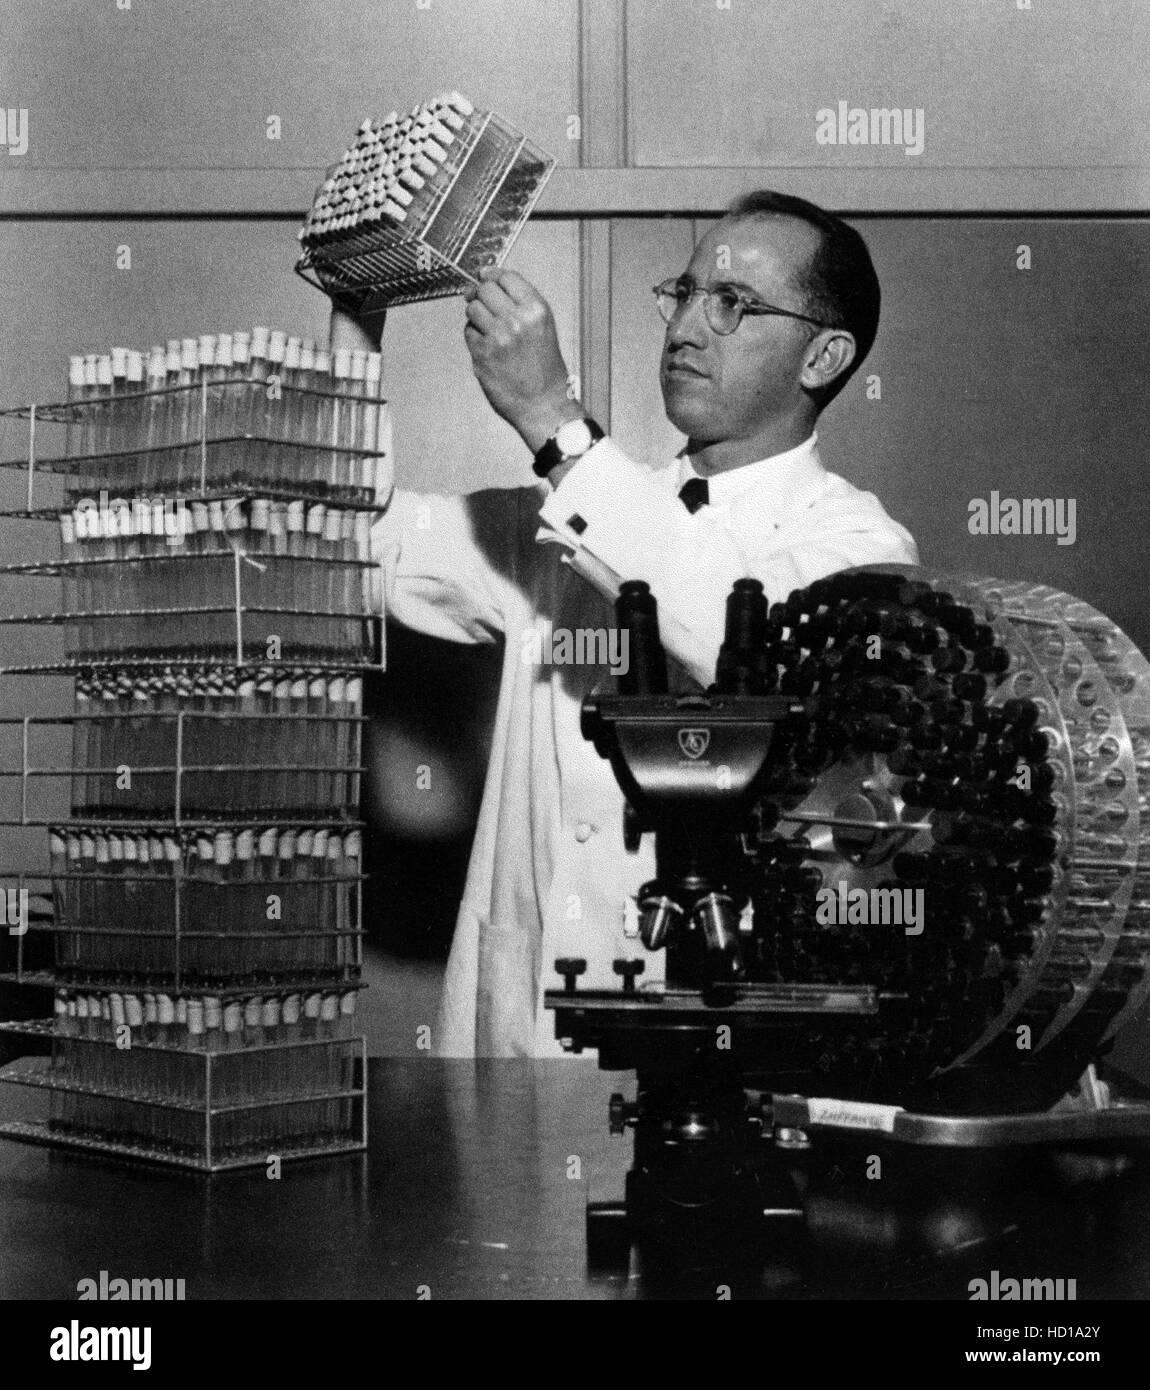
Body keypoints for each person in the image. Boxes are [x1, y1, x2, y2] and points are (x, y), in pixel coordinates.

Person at [332, 189, 919, 1057]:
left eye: (732, 305)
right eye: (683, 295)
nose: (686, 328)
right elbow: (352, 547)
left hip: (700, 1057)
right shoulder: (567, 514)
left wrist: (554, 426)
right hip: (511, 1039)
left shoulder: (859, 545)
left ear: (824, 357)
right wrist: (359, 318)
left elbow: (735, 642)